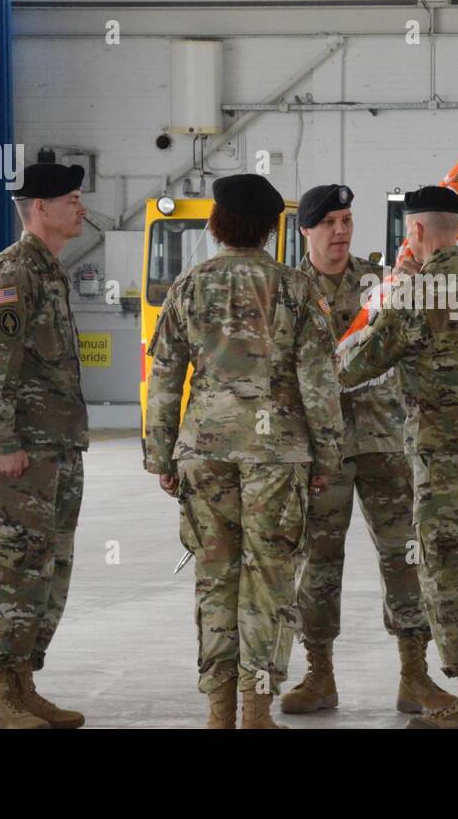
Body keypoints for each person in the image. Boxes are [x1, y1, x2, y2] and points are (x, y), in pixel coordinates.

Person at [144, 173, 343, 730]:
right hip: (276, 456)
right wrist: (327, 458)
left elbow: (164, 376)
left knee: (214, 579)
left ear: (217, 223)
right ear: (271, 227)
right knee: (269, 581)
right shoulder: (296, 288)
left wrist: (161, 454)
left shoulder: (187, 285)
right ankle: (256, 710)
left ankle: (217, 713)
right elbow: (320, 385)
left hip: (204, 452)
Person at [338, 185, 458, 729]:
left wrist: (397, 287)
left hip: (443, 458)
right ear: (457, 227)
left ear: (413, 232)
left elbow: (353, 364)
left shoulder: (417, 292)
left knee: (445, 569)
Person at [282, 183, 453, 716]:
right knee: (318, 563)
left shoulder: (380, 283)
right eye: (329, 221)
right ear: (305, 230)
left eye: (347, 219)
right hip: (320, 450)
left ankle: (415, 675)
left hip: (385, 441)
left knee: (405, 558)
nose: (340, 230)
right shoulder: (288, 289)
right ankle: (319, 675)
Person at [0, 153, 89, 729]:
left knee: (47, 568)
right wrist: (0, 441)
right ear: (40, 208)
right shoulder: (14, 273)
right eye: (70, 201)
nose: (80, 208)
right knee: (16, 568)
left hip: (54, 446)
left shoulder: (48, 270)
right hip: (21, 451)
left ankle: (23, 683)